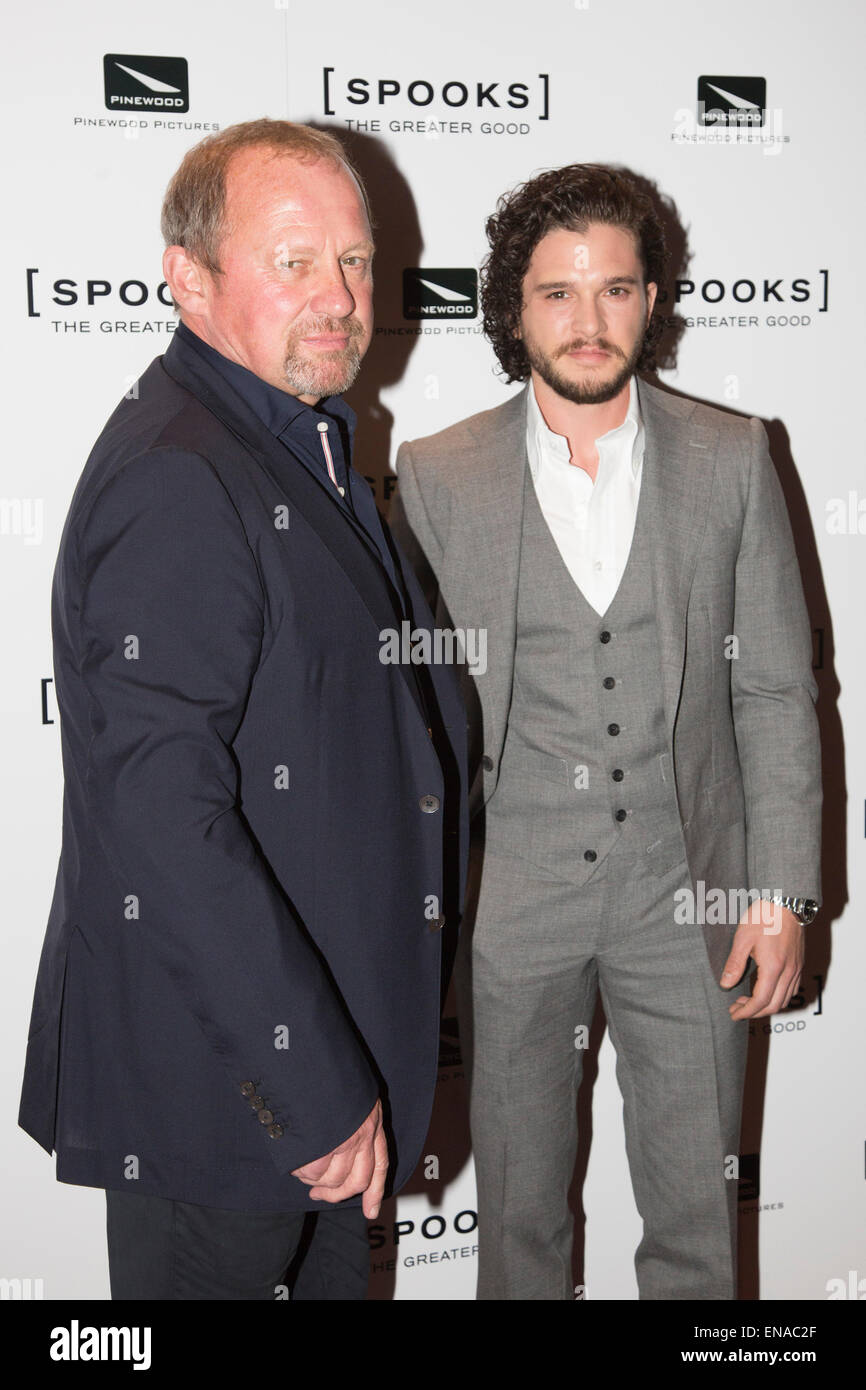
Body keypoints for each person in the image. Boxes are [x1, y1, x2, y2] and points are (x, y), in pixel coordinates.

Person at [18, 119, 466, 1301]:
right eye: (293, 260)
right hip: (231, 1096)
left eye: (356, 261)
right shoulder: (183, 469)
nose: (339, 296)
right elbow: (160, 819)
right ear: (190, 277)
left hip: (309, 1079)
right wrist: (307, 1086)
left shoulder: (296, 440)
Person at [390, 164, 821, 1300]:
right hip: (511, 903)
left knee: (694, 1226)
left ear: (649, 300)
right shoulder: (435, 476)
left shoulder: (731, 459)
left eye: (615, 290)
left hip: (686, 896)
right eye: (556, 294)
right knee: (519, 1230)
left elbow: (776, 688)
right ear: (511, 308)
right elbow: (408, 713)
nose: (588, 323)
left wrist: (776, 892)